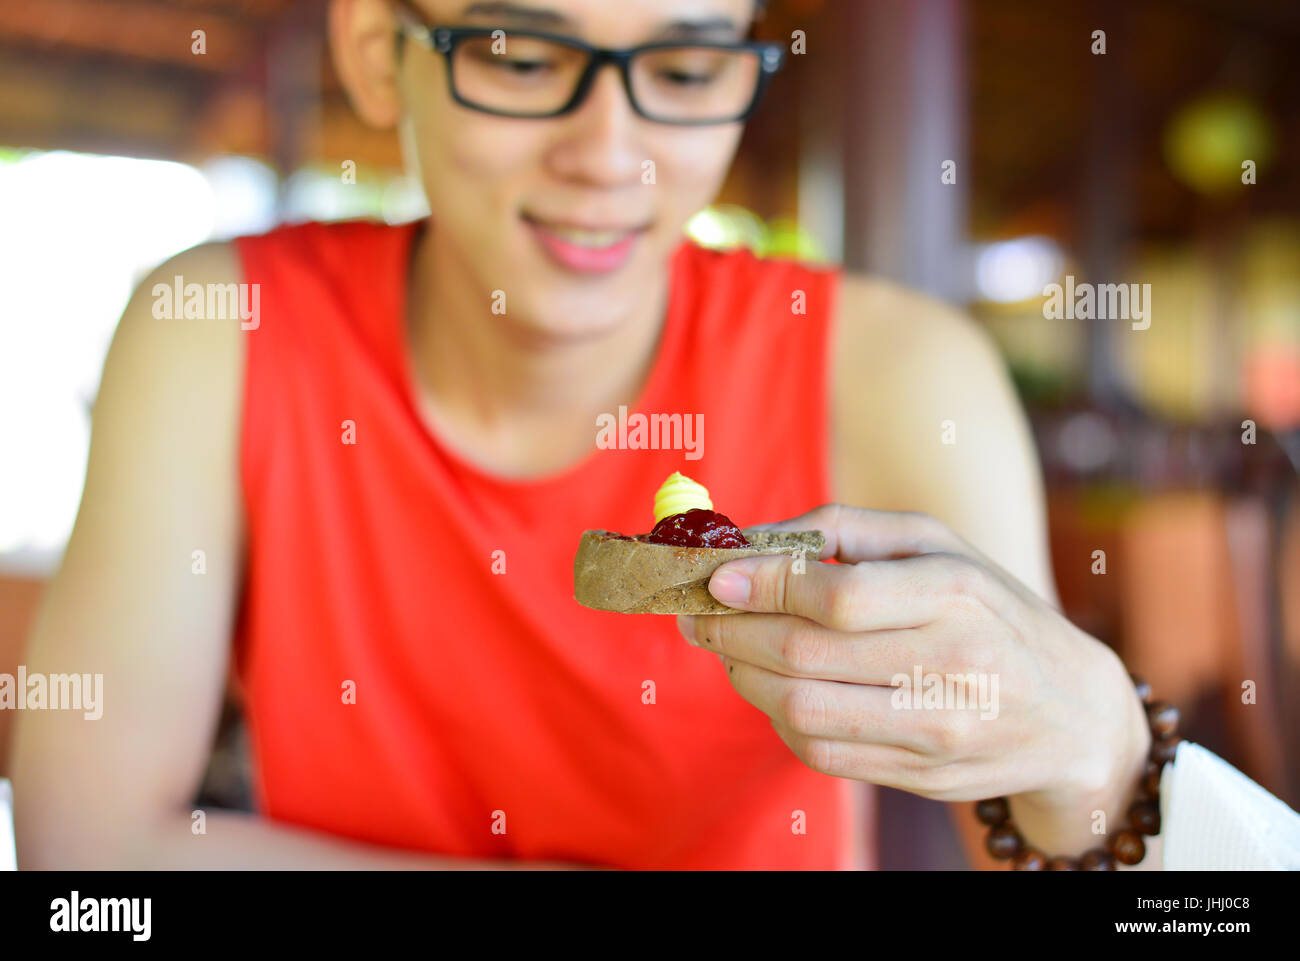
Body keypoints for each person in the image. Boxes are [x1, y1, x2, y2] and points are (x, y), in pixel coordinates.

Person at [11, 0, 1295, 870]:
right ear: (370, 46)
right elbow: (83, 851)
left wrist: (1101, 765)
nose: (610, 152)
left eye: (682, 69)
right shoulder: (215, 326)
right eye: (519, 51)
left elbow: (1051, 842)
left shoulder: (897, 374)